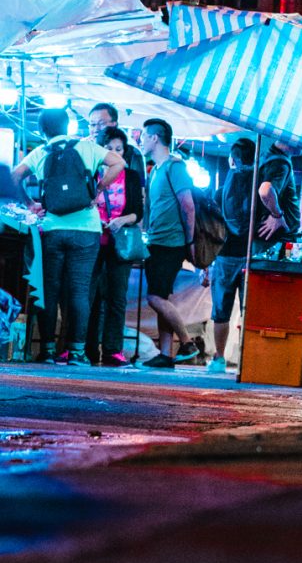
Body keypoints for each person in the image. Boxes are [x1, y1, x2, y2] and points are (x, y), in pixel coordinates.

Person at [12, 108, 122, 364]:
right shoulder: (87, 147)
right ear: (69, 126)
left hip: (52, 229)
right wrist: (98, 189)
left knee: (48, 291)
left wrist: (30, 204)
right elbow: (119, 163)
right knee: (79, 291)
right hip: (86, 230)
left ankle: (48, 351)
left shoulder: (40, 153)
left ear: (42, 131)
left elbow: (13, 177)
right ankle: (77, 352)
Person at [142, 117, 201, 370]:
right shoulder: (155, 169)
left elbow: (188, 205)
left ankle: (187, 343)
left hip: (171, 242)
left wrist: (189, 241)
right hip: (157, 240)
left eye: (144, 136)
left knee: (155, 297)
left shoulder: (175, 167)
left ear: (155, 137)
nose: (141, 141)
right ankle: (166, 354)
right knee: (162, 296)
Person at [86, 129, 144, 367]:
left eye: (119, 149)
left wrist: (122, 219)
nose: (115, 153)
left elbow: (138, 212)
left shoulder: (131, 176)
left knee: (117, 298)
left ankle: (112, 350)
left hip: (120, 243)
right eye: (110, 148)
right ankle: (85, 349)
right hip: (92, 242)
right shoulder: (92, 174)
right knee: (90, 297)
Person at [206, 138, 256, 376]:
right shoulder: (259, 189)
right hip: (251, 257)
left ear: (232, 160)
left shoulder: (220, 193)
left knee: (221, 311)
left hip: (225, 257)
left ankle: (219, 358)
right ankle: (248, 357)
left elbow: (213, 230)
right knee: (251, 311)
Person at [89, 101, 146, 180]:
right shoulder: (86, 151)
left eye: (101, 123)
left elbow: (139, 187)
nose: (96, 129)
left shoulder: (132, 153)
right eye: (93, 125)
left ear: (114, 124)